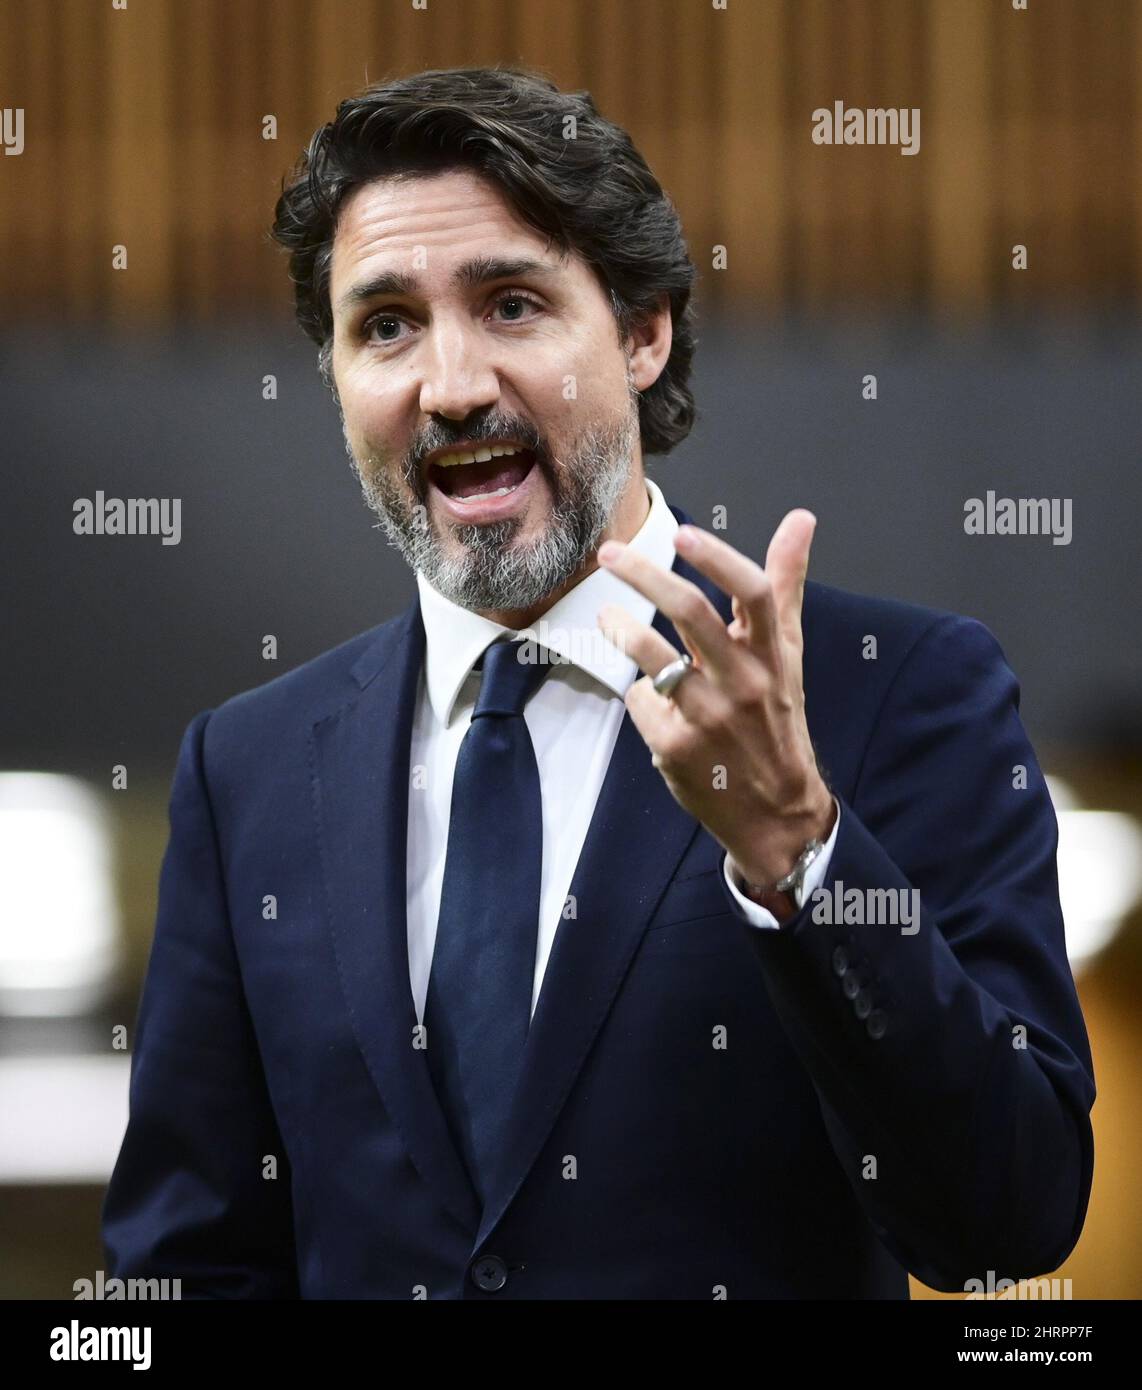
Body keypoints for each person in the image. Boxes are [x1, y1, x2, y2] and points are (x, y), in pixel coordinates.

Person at [101, 66, 1094, 1299]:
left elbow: (1010, 1213)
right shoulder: (245, 767)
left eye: (510, 304)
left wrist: (799, 850)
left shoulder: (891, 691)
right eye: (386, 324)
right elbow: (184, 1262)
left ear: (640, 331)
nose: (451, 385)